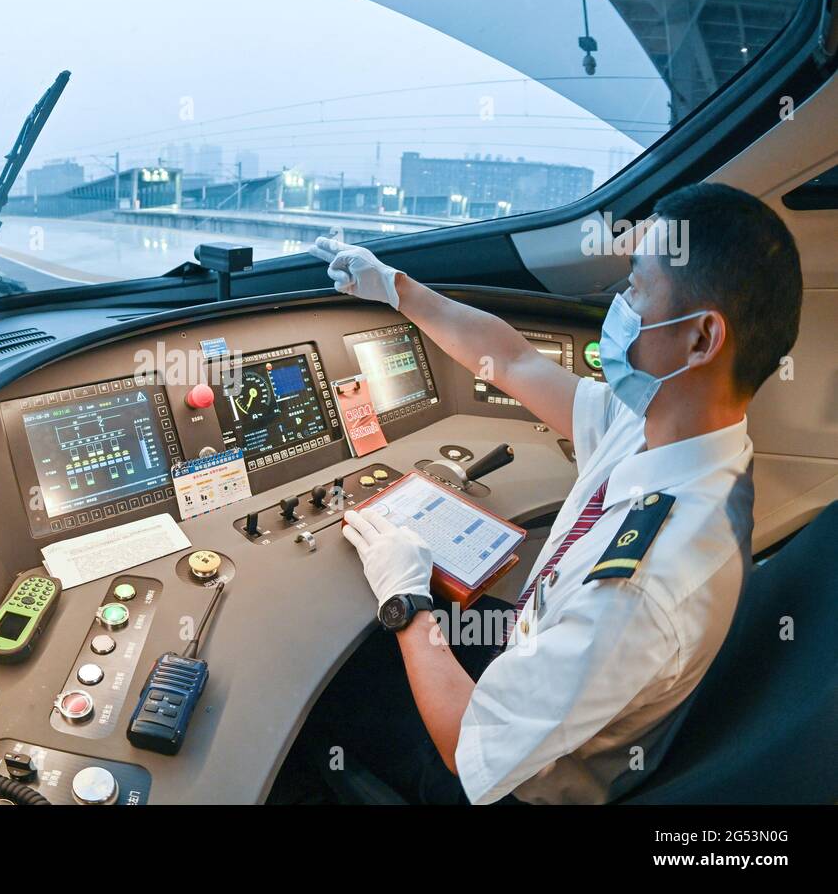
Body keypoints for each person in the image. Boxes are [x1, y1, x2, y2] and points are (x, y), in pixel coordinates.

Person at [303, 182, 803, 803]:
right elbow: (513, 362)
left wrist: (406, 605)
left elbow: (466, 744)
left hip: (519, 780)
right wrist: (395, 287)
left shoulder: (644, 588)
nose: (618, 304)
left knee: (318, 703)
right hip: (529, 649)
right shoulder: (670, 427)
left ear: (701, 339)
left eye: (636, 287)